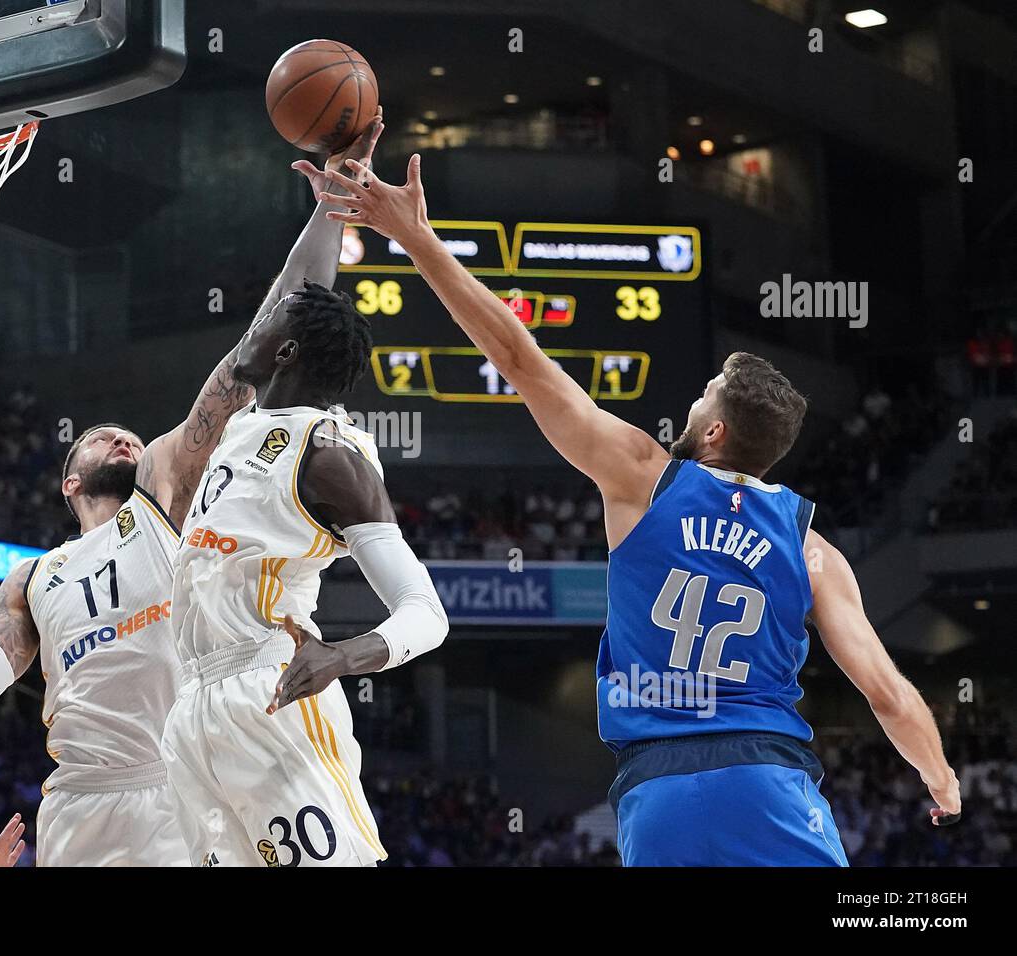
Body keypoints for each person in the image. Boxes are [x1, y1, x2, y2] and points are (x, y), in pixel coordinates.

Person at [318, 153, 962, 866]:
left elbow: (519, 357)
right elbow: (889, 695)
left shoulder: (644, 477)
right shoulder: (815, 552)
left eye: (705, 394)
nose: (692, 401)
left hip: (658, 794)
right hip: (767, 780)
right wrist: (940, 779)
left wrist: (417, 239)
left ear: (714, 432)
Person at [0, 113, 385, 866]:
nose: (123, 437)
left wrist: (331, 201)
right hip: (77, 806)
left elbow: (267, 334)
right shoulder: (32, 581)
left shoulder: (165, 487)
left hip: (179, 782)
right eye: (100, 436)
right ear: (70, 478)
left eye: (130, 433)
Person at [160, 283, 449, 867]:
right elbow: (300, 281)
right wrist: (325, 208)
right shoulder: (241, 423)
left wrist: (341, 657)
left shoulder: (329, 458)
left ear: (286, 352)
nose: (254, 323)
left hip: (268, 687)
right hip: (190, 702)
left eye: (268, 319)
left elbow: (426, 612)